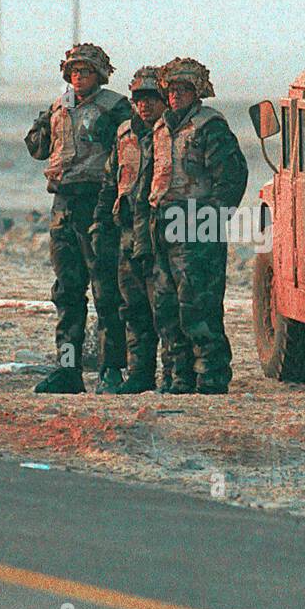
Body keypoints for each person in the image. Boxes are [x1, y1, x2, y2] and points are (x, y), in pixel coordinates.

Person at [24, 43, 130, 394]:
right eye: (73, 72)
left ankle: (112, 370)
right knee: (67, 293)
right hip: (64, 203)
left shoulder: (114, 108)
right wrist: (48, 123)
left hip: (98, 203)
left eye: (85, 71)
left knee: (106, 292)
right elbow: (37, 148)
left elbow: (131, 151)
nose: (78, 77)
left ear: (99, 74)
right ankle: (68, 368)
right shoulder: (59, 107)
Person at [143, 57, 248, 395]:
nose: (175, 96)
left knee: (198, 306)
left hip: (197, 227)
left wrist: (210, 219)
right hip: (163, 224)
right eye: (171, 90)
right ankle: (178, 376)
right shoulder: (160, 128)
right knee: (166, 307)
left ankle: (211, 377)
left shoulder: (209, 127)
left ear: (196, 92)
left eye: (183, 90)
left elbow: (231, 179)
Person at [94, 66, 166, 394]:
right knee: (132, 308)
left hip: (162, 236)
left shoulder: (171, 134)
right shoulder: (125, 134)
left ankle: (179, 378)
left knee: (166, 310)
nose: (144, 105)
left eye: (152, 98)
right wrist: (101, 222)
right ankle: (140, 374)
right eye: (138, 99)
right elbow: (112, 180)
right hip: (127, 235)